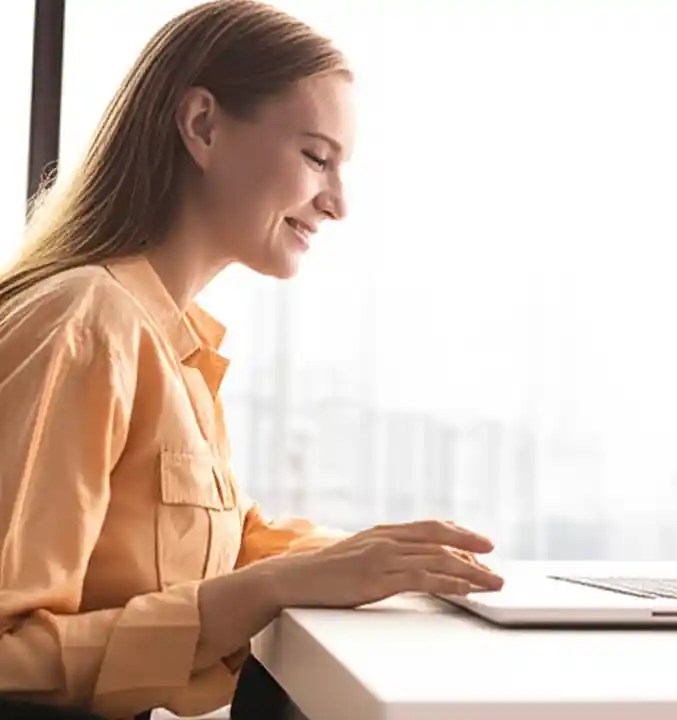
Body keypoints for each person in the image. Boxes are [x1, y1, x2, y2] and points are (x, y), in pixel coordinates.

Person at [0, 2, 504, 719]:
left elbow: (225, 542)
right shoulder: (87, 324)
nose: (337, 203)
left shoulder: (177, 343)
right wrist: (261, 592)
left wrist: (386, 559)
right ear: (203, 125)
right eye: (316, 157)